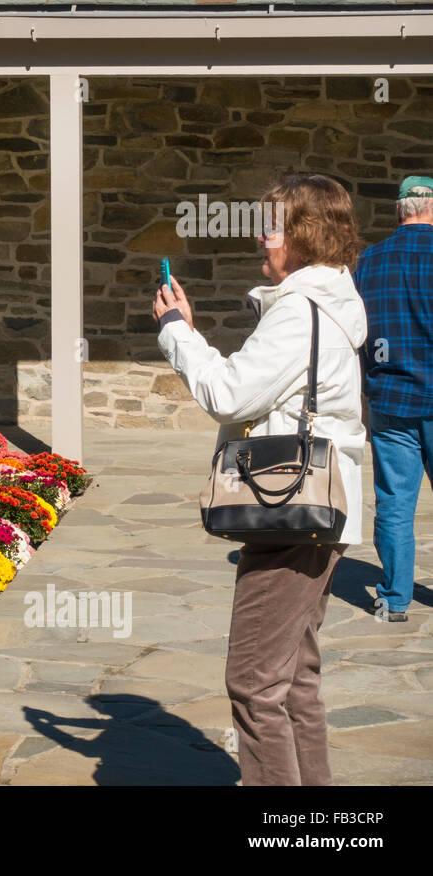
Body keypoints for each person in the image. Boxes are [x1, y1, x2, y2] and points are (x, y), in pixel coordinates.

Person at [153, 173, 367, 786]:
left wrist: (176, 335)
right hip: (321, 507)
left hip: (288, 508)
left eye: (270, 227)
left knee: (253, 684)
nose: (260, 241)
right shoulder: (328, 303)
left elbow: (227, 393)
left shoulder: (300, 311)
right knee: (294, 679)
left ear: (302, 235)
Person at [352, 175, 433, 624]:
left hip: (390, 397)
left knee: (395, 502)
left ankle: (395, 599)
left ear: (400, 211)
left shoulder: (368, 261)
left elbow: (357, 333)